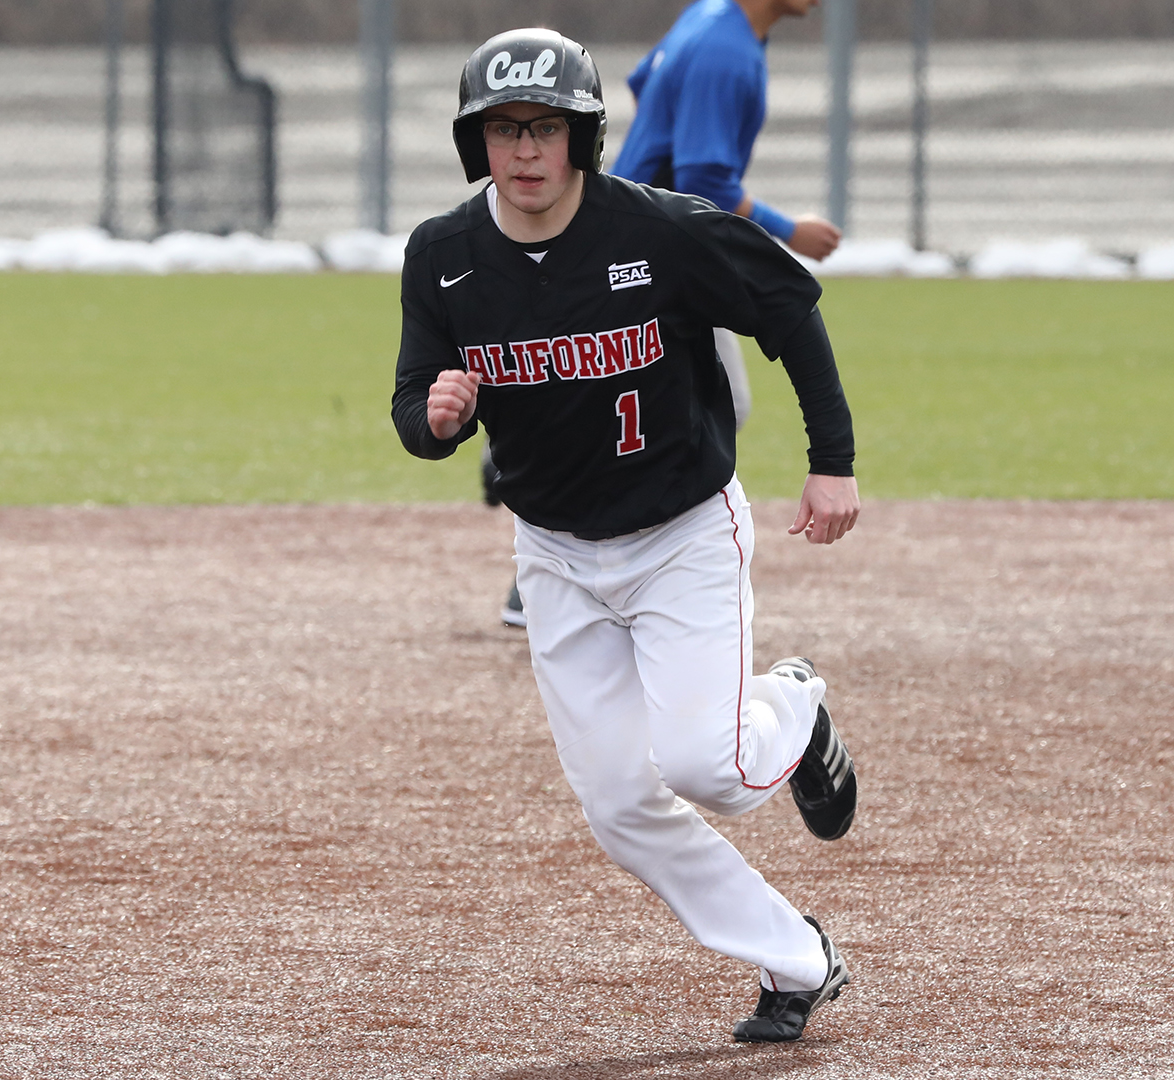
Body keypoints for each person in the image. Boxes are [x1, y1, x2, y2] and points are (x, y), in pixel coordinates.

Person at [391, 28, 862, 1044]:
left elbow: (788, 303)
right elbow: (414, 414)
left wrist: (833, 458)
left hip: (680, 535)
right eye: (503, 128)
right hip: (556, 556)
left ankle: (795, 704)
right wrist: (436, 418)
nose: (525, 149)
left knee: (713, 770)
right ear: (477, 143)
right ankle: (798, 959)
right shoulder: (443, 257)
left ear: (582, 137)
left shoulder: (658, 232)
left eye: (546, 127)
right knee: (619, 806)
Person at [490, 0, 841, 629]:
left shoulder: (710, 20)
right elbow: (705, 177)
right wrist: (791, 230)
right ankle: (638, 567)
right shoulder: (725, 50)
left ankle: (556, 509)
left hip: (626, 238)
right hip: (648, 259)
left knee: (685, 399)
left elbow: (645, 83)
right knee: (715, 400)